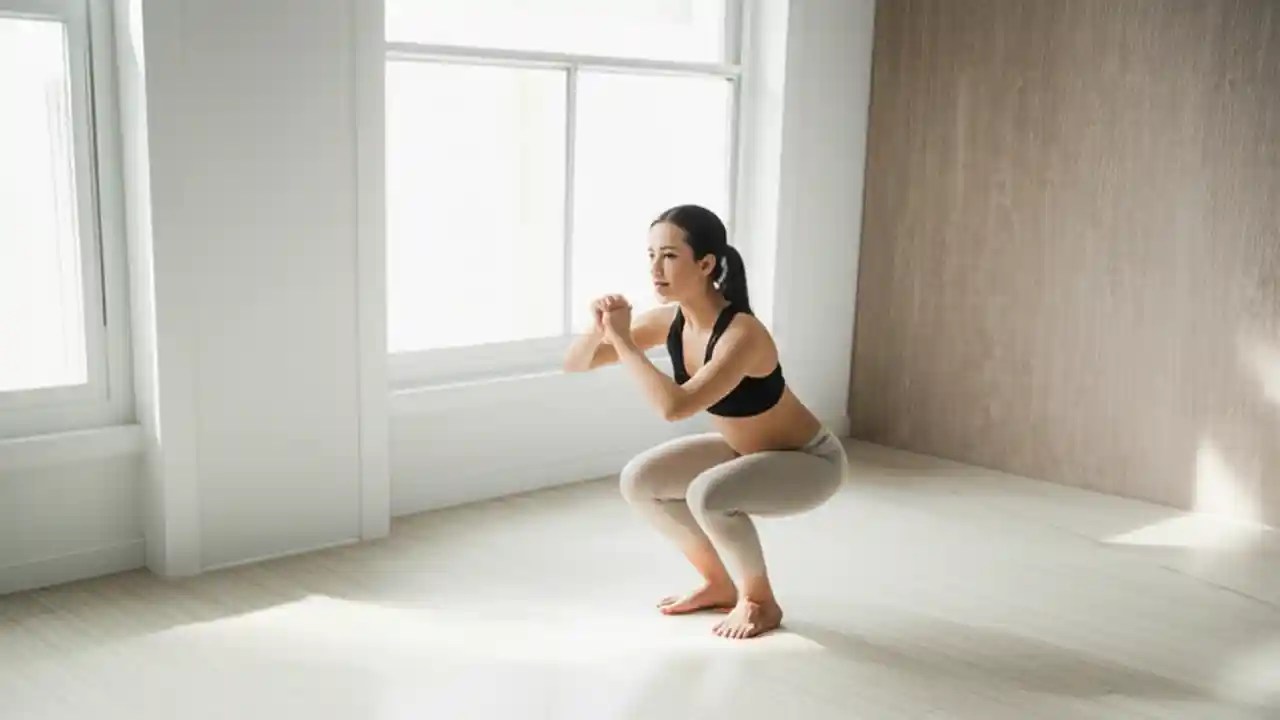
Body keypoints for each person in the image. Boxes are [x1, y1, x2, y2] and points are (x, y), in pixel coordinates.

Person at [563, 204, 848, 640]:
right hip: (746, 451)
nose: (656, 268)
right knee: (639, 480)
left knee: (707, 494)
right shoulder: (670, 322)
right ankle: (719, 584)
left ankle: (760, 602)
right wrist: (598, 326)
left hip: (809, 462)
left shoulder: (742, 335)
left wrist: (621, 338)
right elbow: (578, 363)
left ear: (706, 263)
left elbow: (675, 407)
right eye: (651, 255)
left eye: (670, 256)